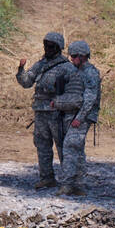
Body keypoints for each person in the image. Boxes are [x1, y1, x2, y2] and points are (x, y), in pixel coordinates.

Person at [16, 31, 72, 189]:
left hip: (57, 113)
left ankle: (69, 181)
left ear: (58, 47)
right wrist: (21, 69)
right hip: (40, 112)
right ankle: (47, 177)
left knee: (62, 146)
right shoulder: (40, 64)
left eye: (51, 46)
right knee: (42, 145)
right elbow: (26, 82)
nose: (47, 48)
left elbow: (72, 91)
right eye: (46, 45)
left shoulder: (66, 67)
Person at [54, 40, 100, 196]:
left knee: (69, 147)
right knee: (77, 150)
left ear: (82, 56)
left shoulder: (90, 72)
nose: (72, 59)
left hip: (82, 117)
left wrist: (80, 118)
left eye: (74, 56)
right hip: (74, 115)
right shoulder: (77, 71)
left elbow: (89, 99)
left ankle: (67, 184)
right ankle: (79, 185)